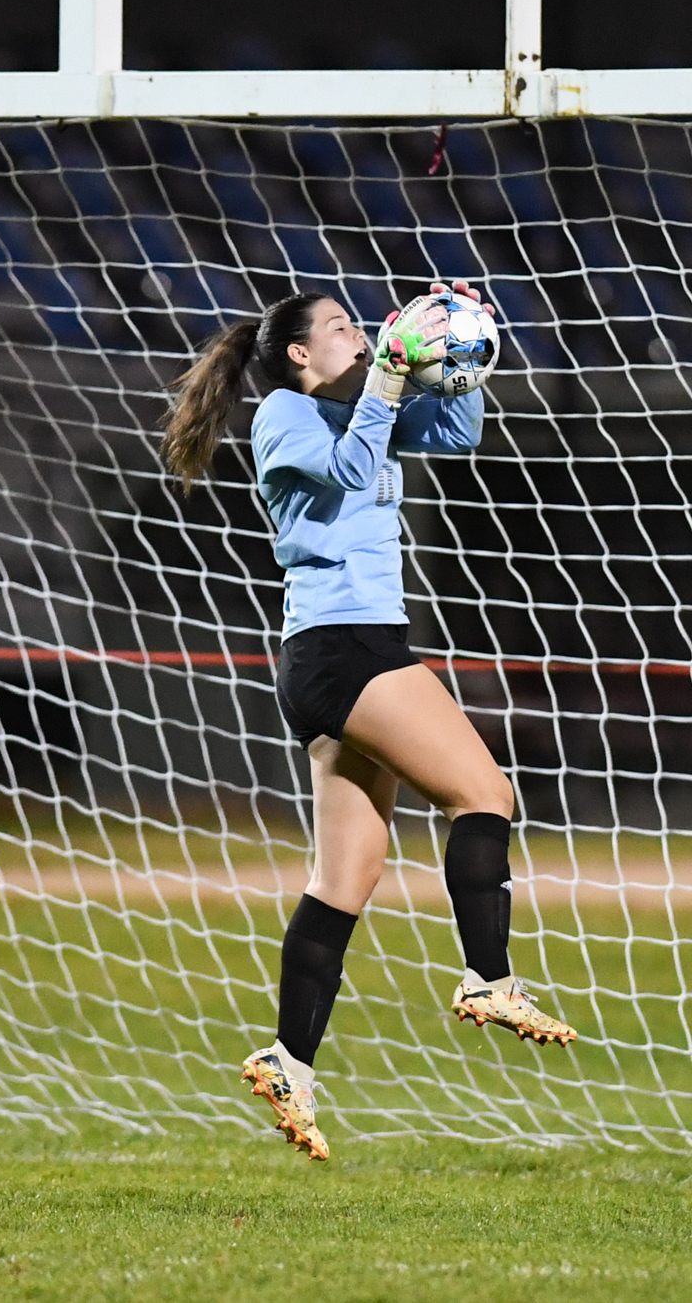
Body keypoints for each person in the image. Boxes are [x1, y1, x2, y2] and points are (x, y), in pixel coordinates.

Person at [159, 281, 576, 1162]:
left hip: (339, 653)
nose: (366, 332)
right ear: (301, 353)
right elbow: (349, 471)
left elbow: (458, 435)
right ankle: (488, 978)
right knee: (484, 792)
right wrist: (389, 374)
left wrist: (461, 360)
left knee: (344, 877)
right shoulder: (281, 413)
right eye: (345, 326)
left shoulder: (364, 404)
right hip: (344, 649)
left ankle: (290, 1061)